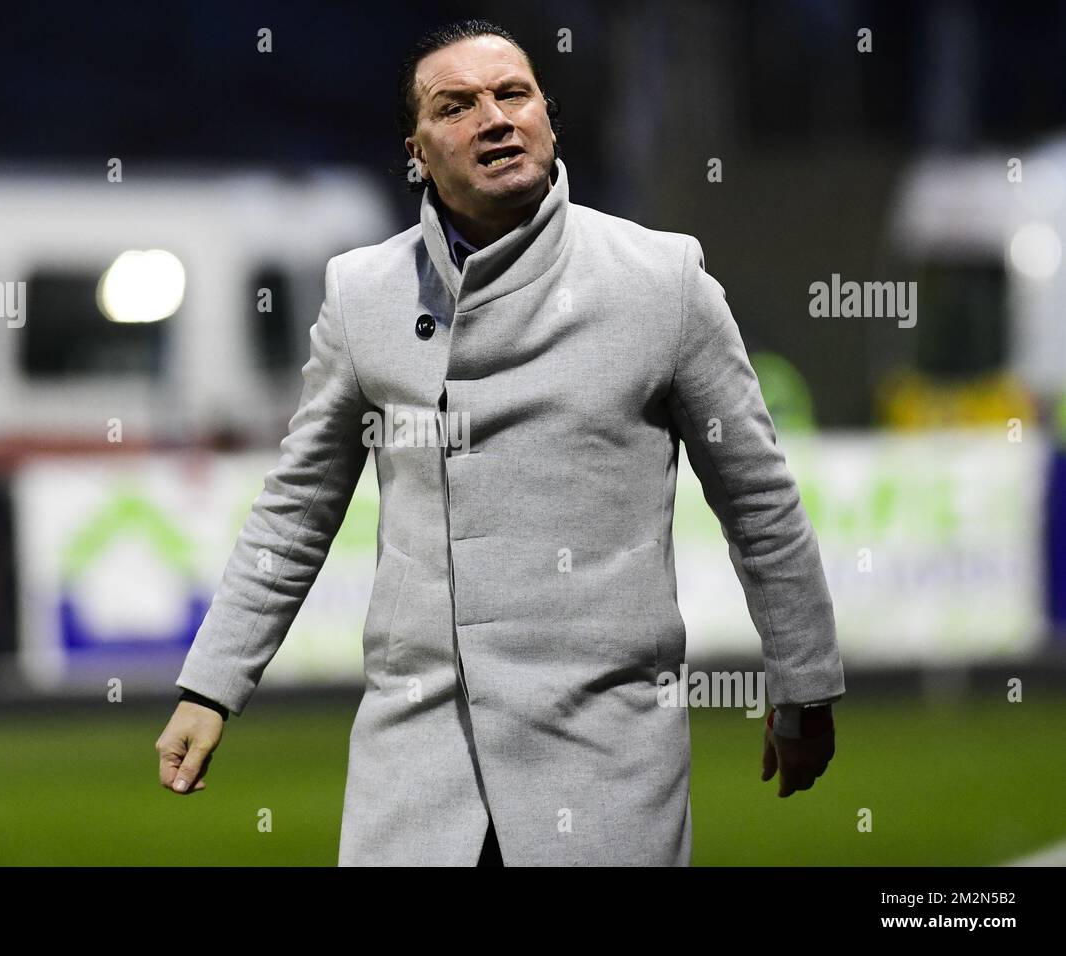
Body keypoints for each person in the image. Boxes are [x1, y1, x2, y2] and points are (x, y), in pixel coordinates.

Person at [156, 18, 843, 866]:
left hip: (602, 767)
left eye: (513, 94)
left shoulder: (663, 282)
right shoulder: (362, 291)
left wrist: (804, 687)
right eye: (458, 105)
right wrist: (212, 686)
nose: (495, 118)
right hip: (414, 769)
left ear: (547, 118)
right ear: (417, 150)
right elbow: (296, 508)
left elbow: (759, 501)